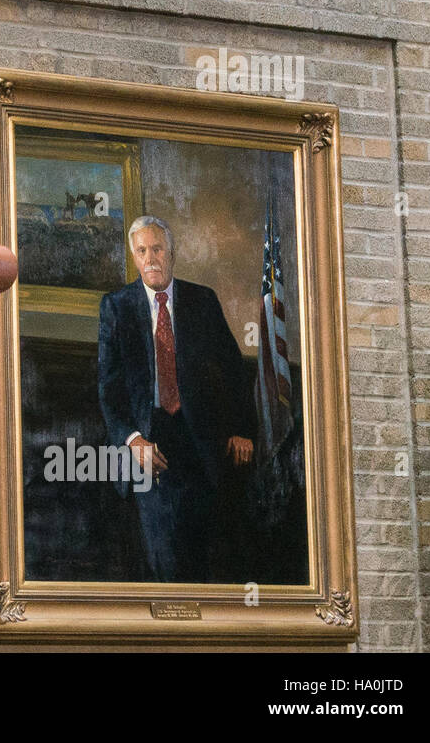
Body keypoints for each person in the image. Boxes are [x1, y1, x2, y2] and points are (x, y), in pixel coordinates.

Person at [97, 215, 254, 583]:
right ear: (134, 258)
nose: (150, 258)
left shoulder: (203, 301)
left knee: (205, 559)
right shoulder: (116, 307)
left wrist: (242, 429)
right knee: (164, 561)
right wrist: (133, 440)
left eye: (157, 249)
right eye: (141, 251)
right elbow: (108, 387)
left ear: (171, 253)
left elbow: (233, 370)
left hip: (201, 444)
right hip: (148, 443)